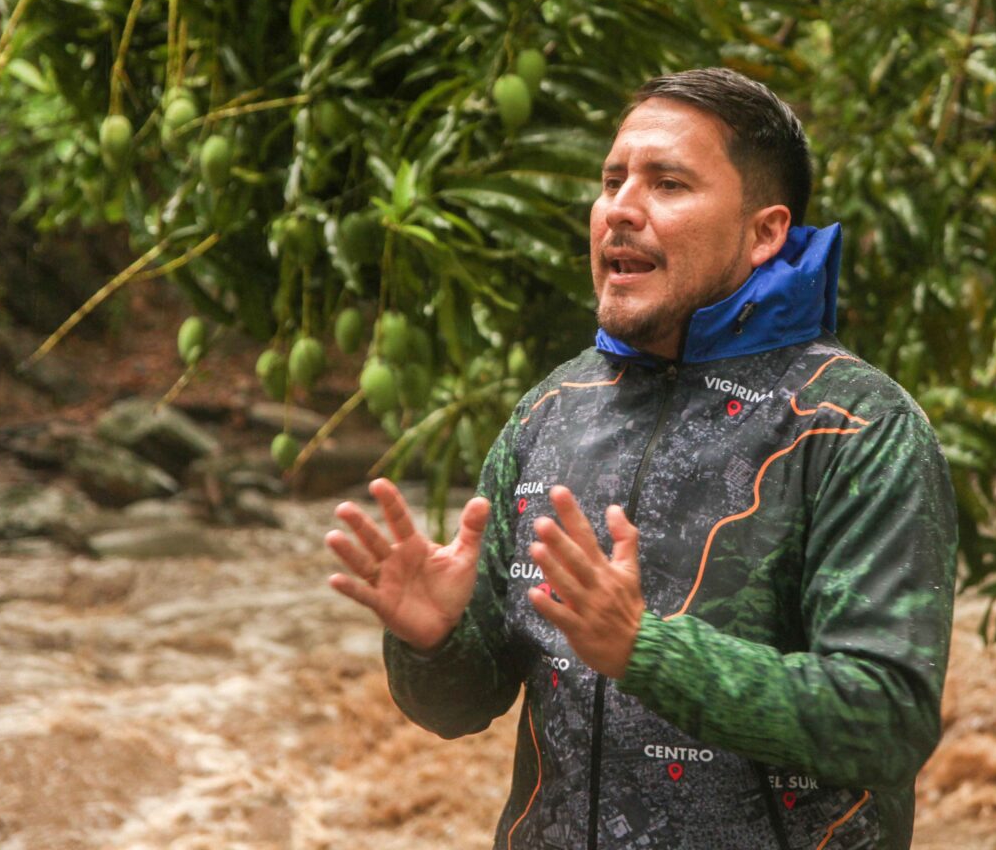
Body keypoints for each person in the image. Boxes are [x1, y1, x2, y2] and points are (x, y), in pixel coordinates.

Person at [325, 67, 957, 849]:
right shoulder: (553, 411)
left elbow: (887, 721)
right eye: (612, 179)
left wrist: (647, 650)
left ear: (764, 232)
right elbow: (457, 708)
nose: (620, 209)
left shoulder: (855, 427)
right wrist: (433, 641)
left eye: (668, 184)